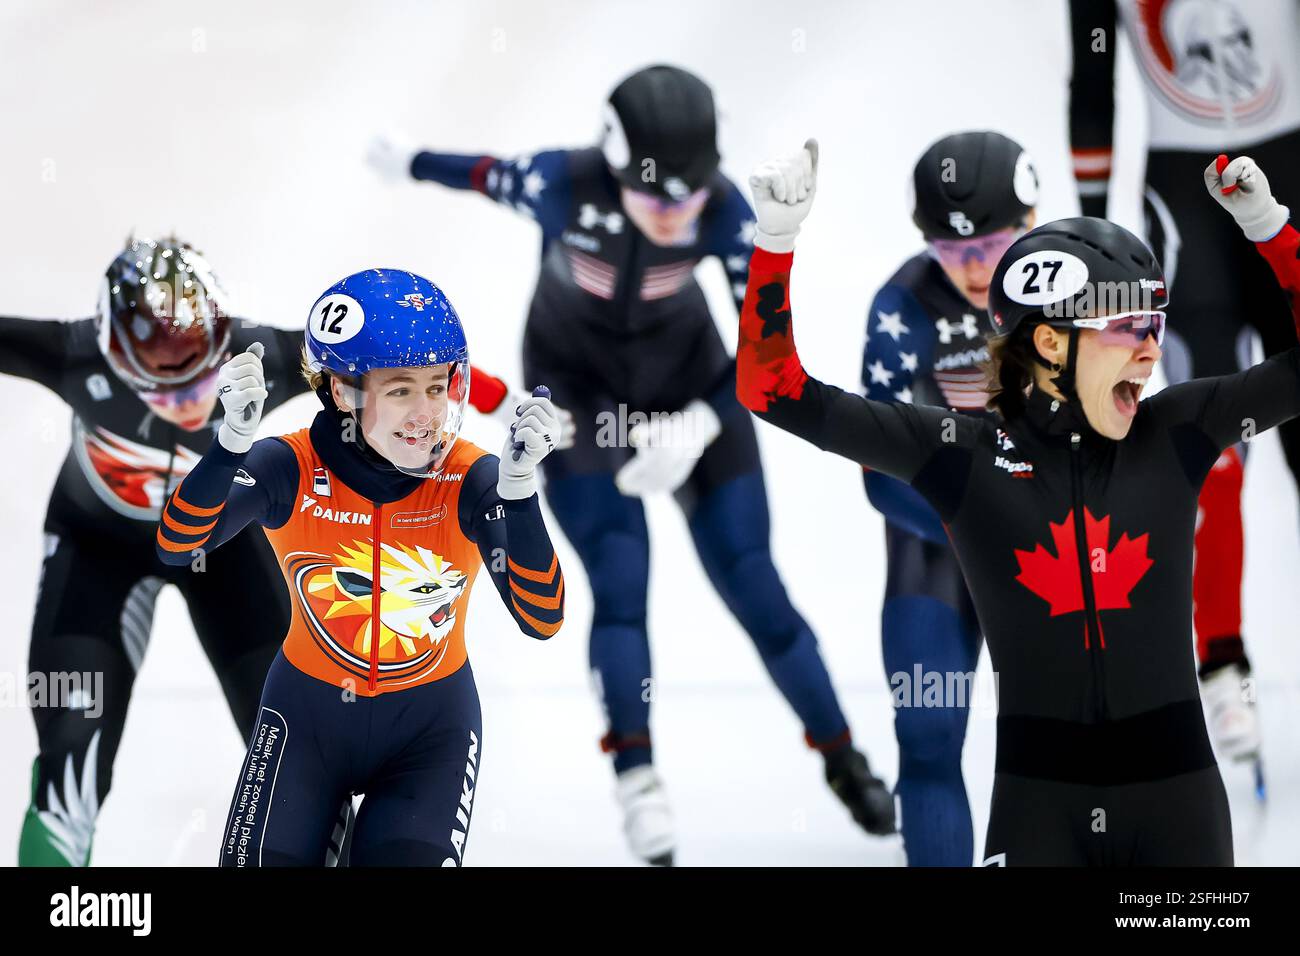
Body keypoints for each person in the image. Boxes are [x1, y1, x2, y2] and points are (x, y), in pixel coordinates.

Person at [365, 63, 896, 864]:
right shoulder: (559, 183)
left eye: (691, 198)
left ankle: (842, 755)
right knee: (619, 584)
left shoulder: (724, 210)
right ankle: (638, 778)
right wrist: (409, 160)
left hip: (694, 390)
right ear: (616, 166)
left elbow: (767, 359)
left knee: (758, 588)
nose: (678, 214)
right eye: (659, 199)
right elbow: (481, 173)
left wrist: (701, 421)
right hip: (579, 404)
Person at [738, 140, 1300, 865]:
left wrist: (1271, 229)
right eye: (1127, 328)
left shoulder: (1181, 431)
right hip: (1040, 810)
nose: (1150, 352)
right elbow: (771, 388)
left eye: (1154, 326)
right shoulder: (959, 454)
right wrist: (775, 244)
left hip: (1180, 805)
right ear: (1050, 343)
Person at [154, 268, 566, 866]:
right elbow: (176, 544)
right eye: (400, 390)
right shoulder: (287, 466)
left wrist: (520, 496)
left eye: (436, 386)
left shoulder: (470, 477)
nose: (425, 412)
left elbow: (543, 618)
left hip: (430, 735)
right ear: (342, 392)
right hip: (305, 722)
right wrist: (228, 447)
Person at [0, 236, 312, 866]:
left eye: (198, 374)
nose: (183, 399)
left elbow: (386, 370)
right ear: (111, 351)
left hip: (221, 553)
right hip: (98, 553)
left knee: (299, 758)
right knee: (70, 763)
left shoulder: (262, 355)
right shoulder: (73, 351)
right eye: (159, 383)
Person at [1067, 0, 1300, 763]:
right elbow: (1093, 82)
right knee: (1213, 442)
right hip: (1185, 193)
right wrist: (1094, 233)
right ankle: (1223, 660)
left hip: (1289, 165)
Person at [861, 131, 1037, 865]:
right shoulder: (902, 306)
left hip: (1041, 546)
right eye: (947, 247)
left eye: (990, 244)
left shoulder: (1075, 287)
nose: (970, 266)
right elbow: (878, 472)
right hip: (935, 545)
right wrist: (978, 520)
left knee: (1063, 744)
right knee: (929, 740)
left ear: (1030, 225)